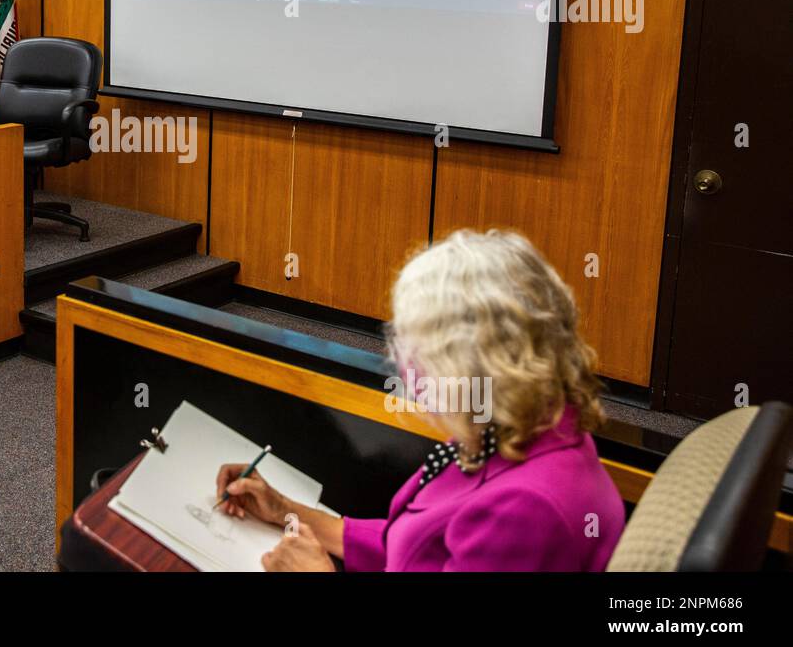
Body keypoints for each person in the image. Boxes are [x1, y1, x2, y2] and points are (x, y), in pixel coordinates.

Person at [216, 230, 626, 571]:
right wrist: (287, 511)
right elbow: (414, 550)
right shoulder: (510, 425)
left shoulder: (525, 508)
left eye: (414, 347)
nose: (400, 361)